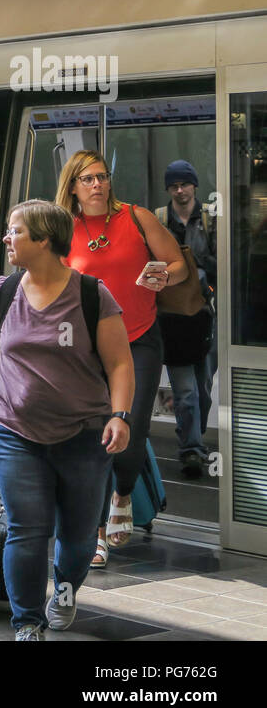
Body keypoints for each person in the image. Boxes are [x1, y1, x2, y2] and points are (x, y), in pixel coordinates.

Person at [0, 200, 134, 641]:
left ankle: (65, 591)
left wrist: (120, 416)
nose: (6, 239)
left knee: (77, 537)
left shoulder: (91, 294)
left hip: (85, 433)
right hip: (13, 430)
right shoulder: (2, 293)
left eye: (15, 231)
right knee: (27, 529)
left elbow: (121, 364)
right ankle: (28, 622)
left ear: (44, 240)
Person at [55, 150, 185, 566]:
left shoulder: (137, 217)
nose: (98, 185)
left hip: (140, 339)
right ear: (73, 185)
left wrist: (165, 274)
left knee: (129, 433)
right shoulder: (62, 227)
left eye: (103, 177)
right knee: (93, 441)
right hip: (86, 346)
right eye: (89, 179)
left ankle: (123, 492)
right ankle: (92, 531)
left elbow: (179, 265)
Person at [154, 160, 216, 478]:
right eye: (174, 186)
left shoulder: (209, 218)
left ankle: (194, 437)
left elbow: (225, 259)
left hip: (205, 313)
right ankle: (191, 449)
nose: (180, 190)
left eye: (184, 185)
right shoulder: (159, 220)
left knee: (203, 387)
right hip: (173, 315)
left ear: (194, 186)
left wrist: (196, 267)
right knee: (186, 391)